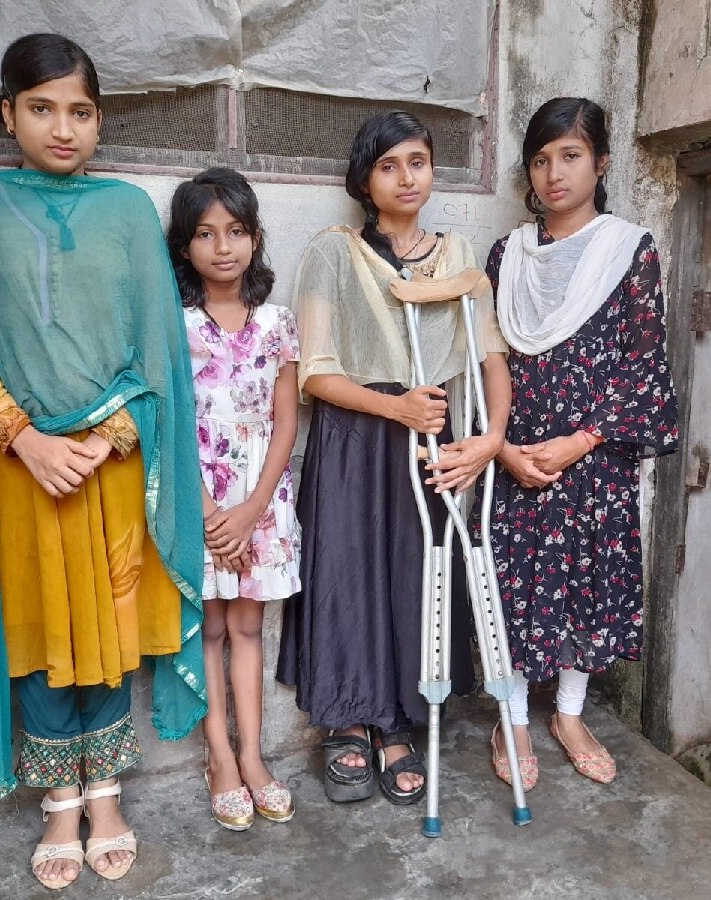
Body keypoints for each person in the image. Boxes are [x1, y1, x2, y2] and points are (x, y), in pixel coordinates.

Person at [0, 34, 205, 890]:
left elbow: (158, 350)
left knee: (112, 634)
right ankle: (57, 804)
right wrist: (26, 437)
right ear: (7, 114)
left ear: (99, 120)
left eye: (79, 111)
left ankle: (109, 795)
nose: (62, 127)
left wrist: (104, 438)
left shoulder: (125, 209)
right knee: (44, 631)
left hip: (113, 464)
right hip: (20, 467)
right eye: (41, 108)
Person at [276, 111, 511, 806]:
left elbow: (491, 358)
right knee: (347, 570)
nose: (407, 177)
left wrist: (491, 438)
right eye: (389, 165)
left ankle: (400, 719)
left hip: (433, 433)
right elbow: (314, 373)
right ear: (364, 179)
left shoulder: (461, 256)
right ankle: (350, 716)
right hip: (356, 432)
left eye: (418, 161)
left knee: (417, 577)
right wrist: (396, 407)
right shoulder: (333, 252)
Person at [482, 97, 678, 791]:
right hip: (517, 457)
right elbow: (488, 355)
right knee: (510, 586)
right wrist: (502, 447)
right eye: (540, 159)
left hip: (591, 459)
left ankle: (568, 713)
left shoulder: (630, 250)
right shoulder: (509, 254)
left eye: (569, 155)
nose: (553, 173)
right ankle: (510, 717)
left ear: (601, 162)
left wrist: (581, 441)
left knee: (587, 586)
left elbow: (643, 363)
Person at [166, 168, 301, 831]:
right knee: (210, 626)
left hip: (261, 504)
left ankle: (254, 757)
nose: (223, 247)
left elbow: (285, 424)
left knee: (249, 626)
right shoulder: (174, 324)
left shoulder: (277, 323)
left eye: (237, 231)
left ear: (254, 238)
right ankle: (219, 756)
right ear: (184, 246)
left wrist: (251, 513)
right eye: (205, 234)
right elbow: (168, 423)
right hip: (200, 504)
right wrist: (210, 513)